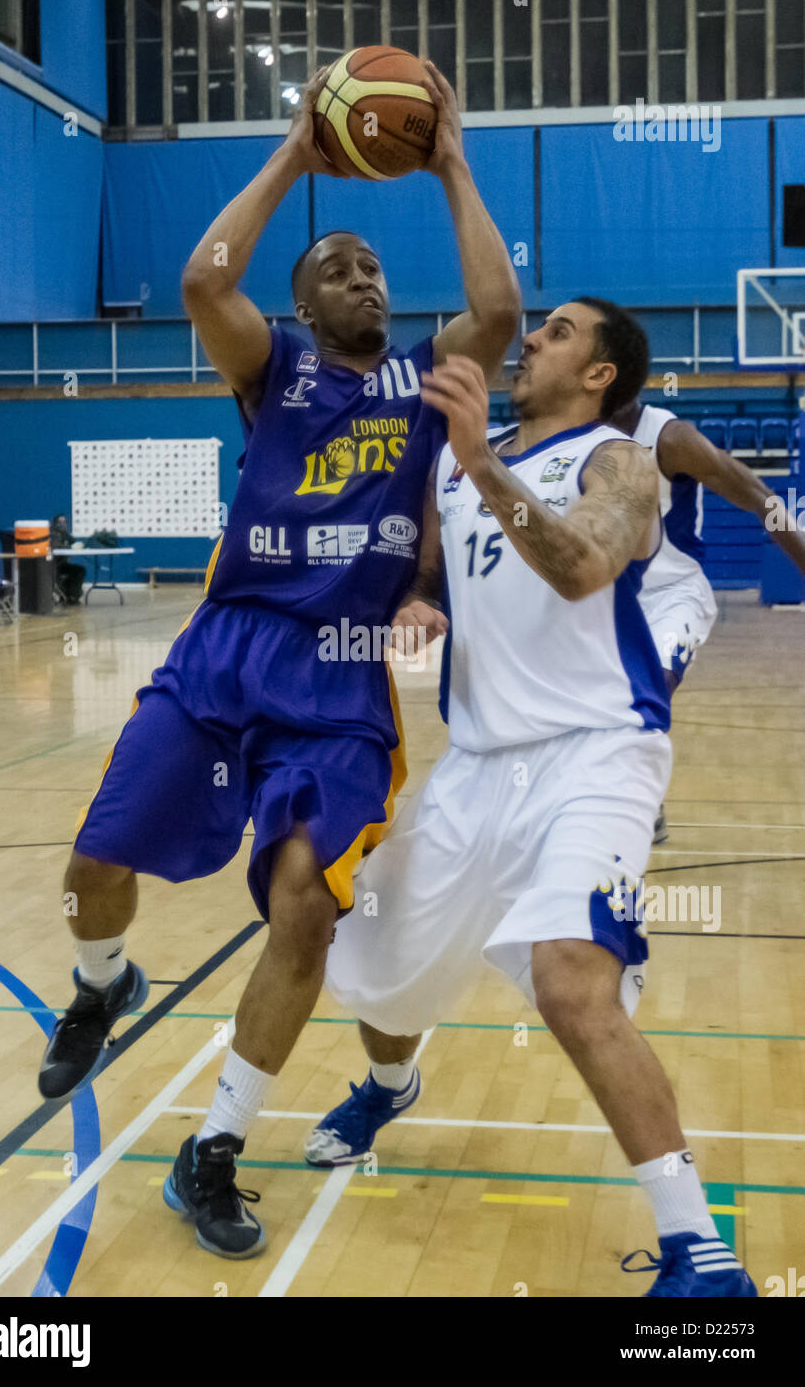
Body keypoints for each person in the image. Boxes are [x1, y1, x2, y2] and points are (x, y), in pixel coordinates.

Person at [36, 63, 520, 1261]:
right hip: (224, 650)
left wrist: (452, 159)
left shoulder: (425, 379)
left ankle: (215, 1146)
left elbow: (499, 310)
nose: (366, 279)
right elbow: (205, 277)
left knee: (302, 908)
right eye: (339, 269)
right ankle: (102, 980)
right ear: (304, 303)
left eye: (374, 268)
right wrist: (292, 159)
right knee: (95, 861)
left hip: (339, 678)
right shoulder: (274, 372)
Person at [307, 300, 757, 1299]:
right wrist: (420, 600)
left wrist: (479, 463)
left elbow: (584, 566)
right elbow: (429, 572)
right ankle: (390, 1085)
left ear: (599, 374)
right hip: (474, 765)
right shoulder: (459, 464)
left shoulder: (618, 464)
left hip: (598, 753)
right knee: (374, 974)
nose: (531, 340)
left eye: (556, 332)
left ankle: (701, 1254)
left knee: (568, 982)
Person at [611, 398, 805, 842]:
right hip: (605, 596)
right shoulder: (567, 433)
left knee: (650, 687)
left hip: (673, 592)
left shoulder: (670, 437)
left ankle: (640, 801)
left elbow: (762, 497)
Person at [50, 515, 85, 605]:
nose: (62, 525)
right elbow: (55, 546)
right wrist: (70, 547)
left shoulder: (65, 534)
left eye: (64, 522)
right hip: (52, 566)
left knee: (80, 570)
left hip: (62, 564)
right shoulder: (52, 534)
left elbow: (74, 543)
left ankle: (73, 596)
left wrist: (80, 544)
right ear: (54, 524)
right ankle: (66, 594)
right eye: (59, 522)